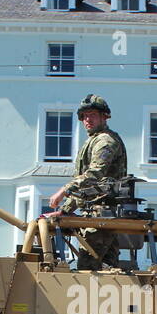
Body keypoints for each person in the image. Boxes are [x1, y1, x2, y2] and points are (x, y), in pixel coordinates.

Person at [47, 94, 129, 270]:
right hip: (99, 217)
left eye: (92, 114)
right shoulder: (94, 140)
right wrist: (65, 211)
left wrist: (64, 191)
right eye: (84, 116)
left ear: (104, 116)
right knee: (108, 269)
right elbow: (88, 189)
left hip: (102, 217)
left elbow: (94, 175)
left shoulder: (105, 141)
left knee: (87, 268)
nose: (87, 120)